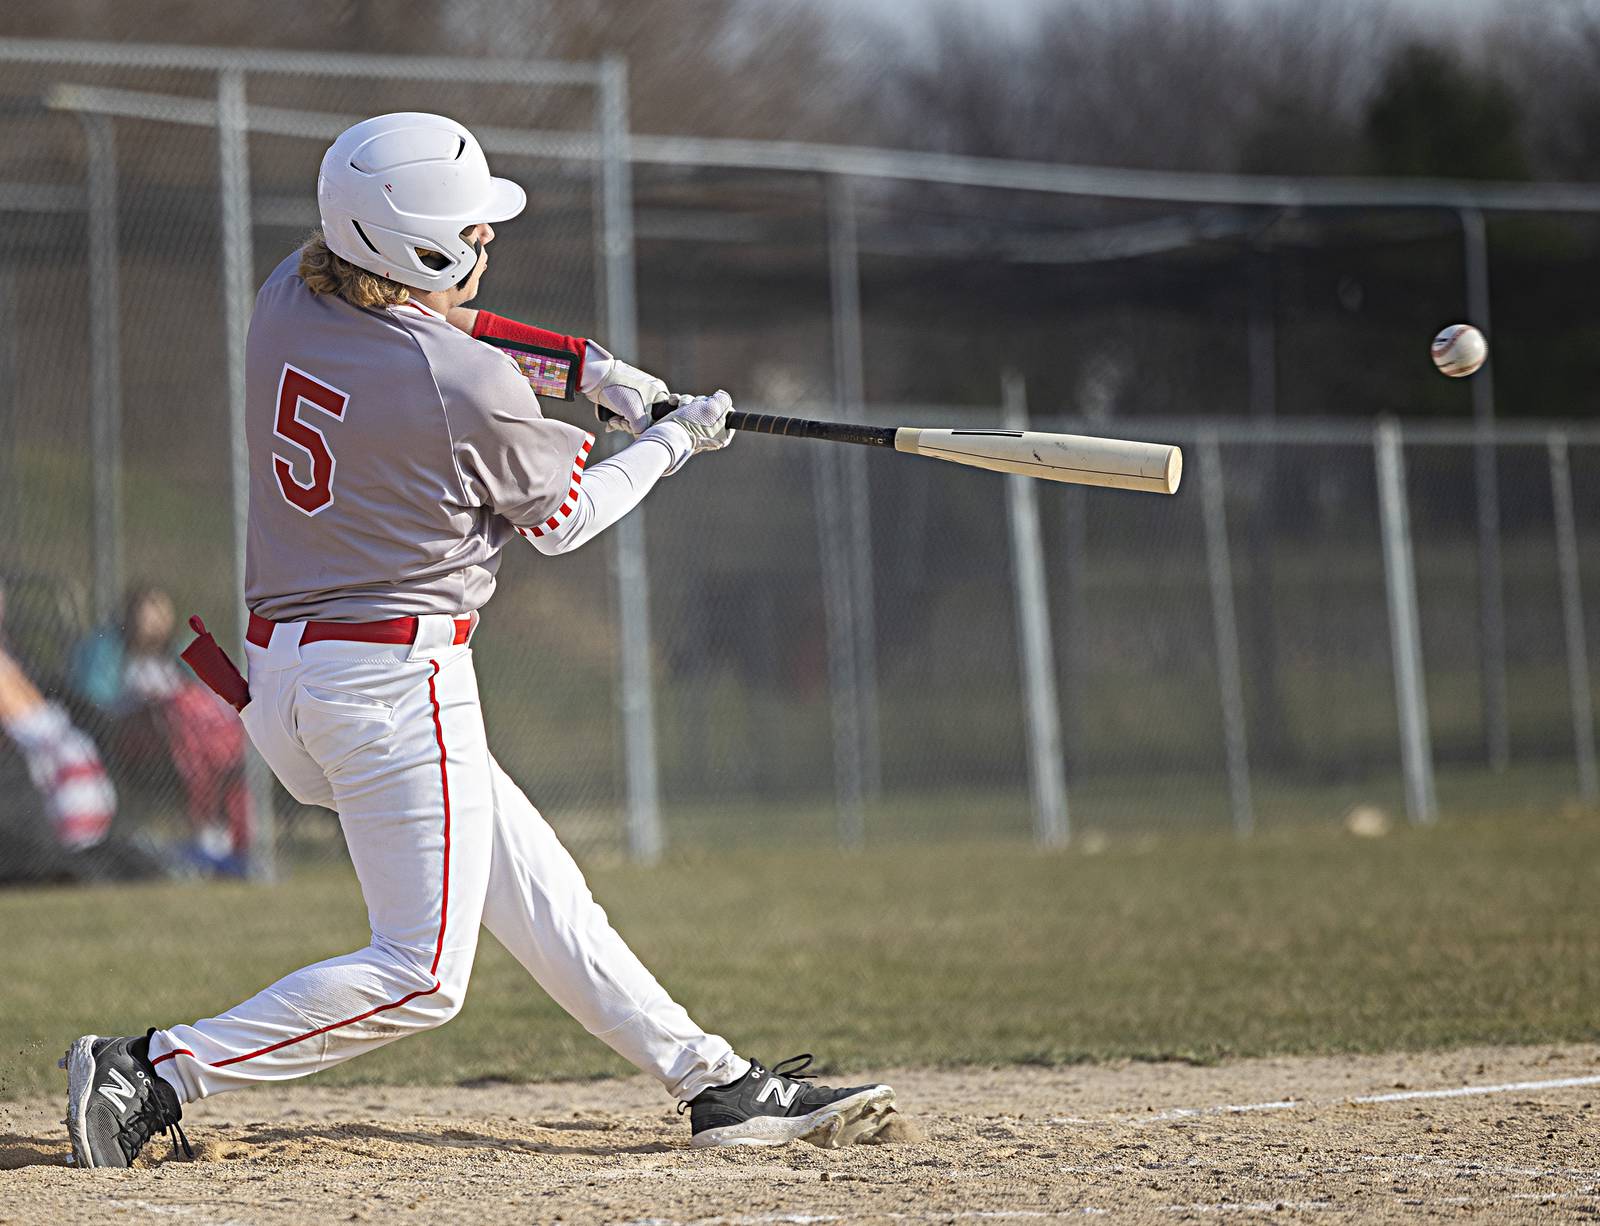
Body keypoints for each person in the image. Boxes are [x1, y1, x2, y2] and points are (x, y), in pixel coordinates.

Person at [62, 112, 894, 1169]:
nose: (486, 239)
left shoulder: (291, 292)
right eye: (467, 227)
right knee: (422, 972)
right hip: (396, 685)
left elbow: (442, 331)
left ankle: (712, 1078)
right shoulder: (467, 389)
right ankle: (155, 1067)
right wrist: (673, 442)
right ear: (412, 244)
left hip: (281, 680)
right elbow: (565, 517)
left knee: (538, 884)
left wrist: (588, 368)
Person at [70, 585, 252, 873]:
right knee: (180, 707)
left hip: (188, 738)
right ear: (131, 616)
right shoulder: (111, 651)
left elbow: (206, 693)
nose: (157, 618)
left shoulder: (175, 652)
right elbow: (96, 703)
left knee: (189, 706)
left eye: (162, 610)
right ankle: (207, 823)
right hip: (132, 738)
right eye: (149, 610)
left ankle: (231, 834)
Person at [0, 583, 117, 853]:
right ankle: (76, 848)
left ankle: (84, 846)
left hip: (44, 729)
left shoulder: (9, 651)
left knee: (74, 751)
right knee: (65, 755)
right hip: (25, 736)